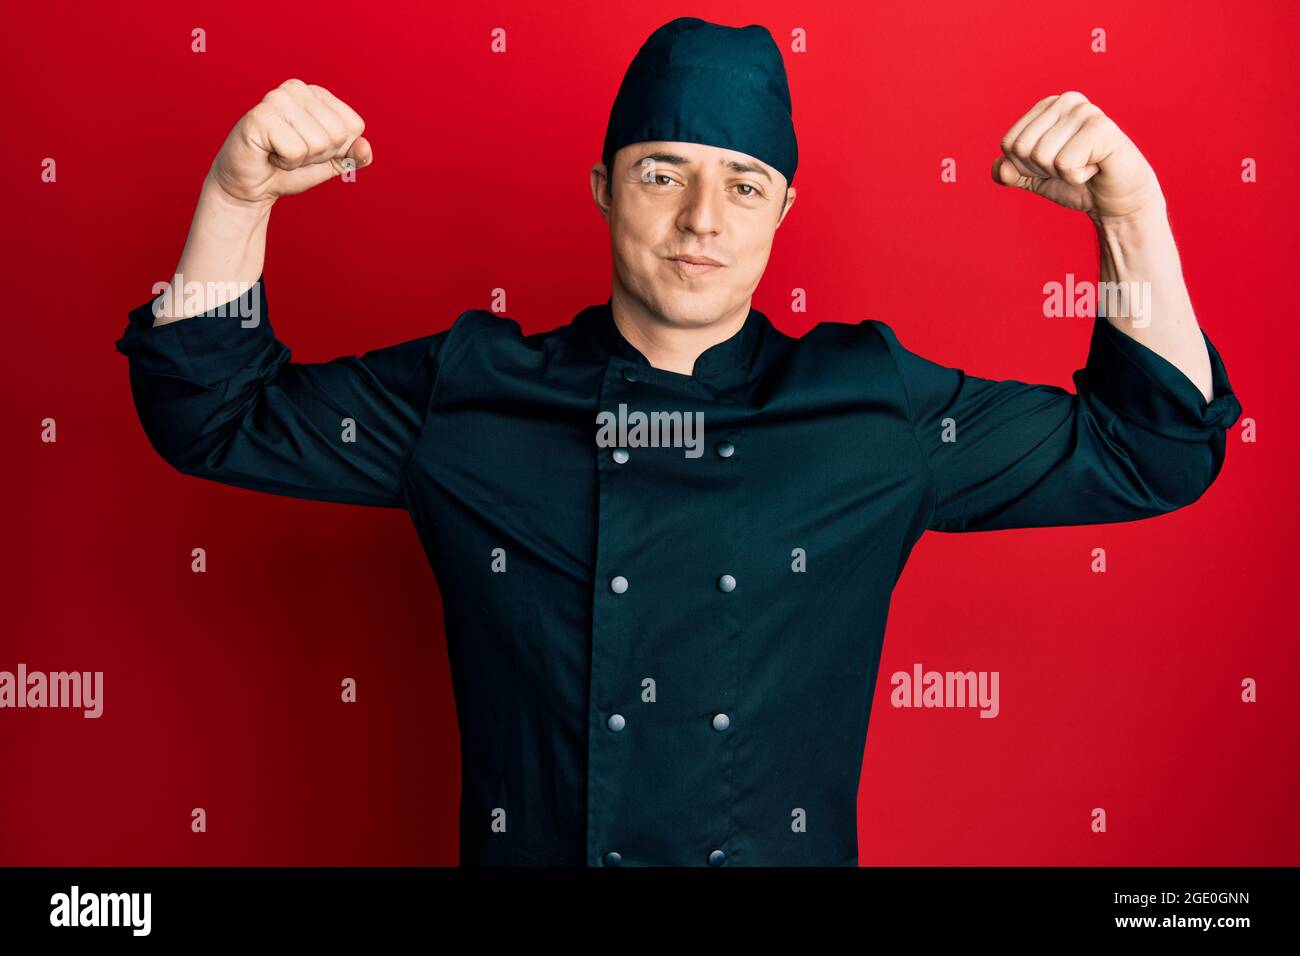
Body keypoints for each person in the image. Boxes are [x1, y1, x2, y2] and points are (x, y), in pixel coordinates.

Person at [114, 17, 1241, 867]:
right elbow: (211, 417)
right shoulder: (470, 391)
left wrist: (1129, 214)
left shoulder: (869, 406)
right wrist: (235, 194)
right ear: (604, 188)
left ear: (781, 211)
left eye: (742, 184)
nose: (703, 218)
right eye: (663, 172)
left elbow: (1155, 448)